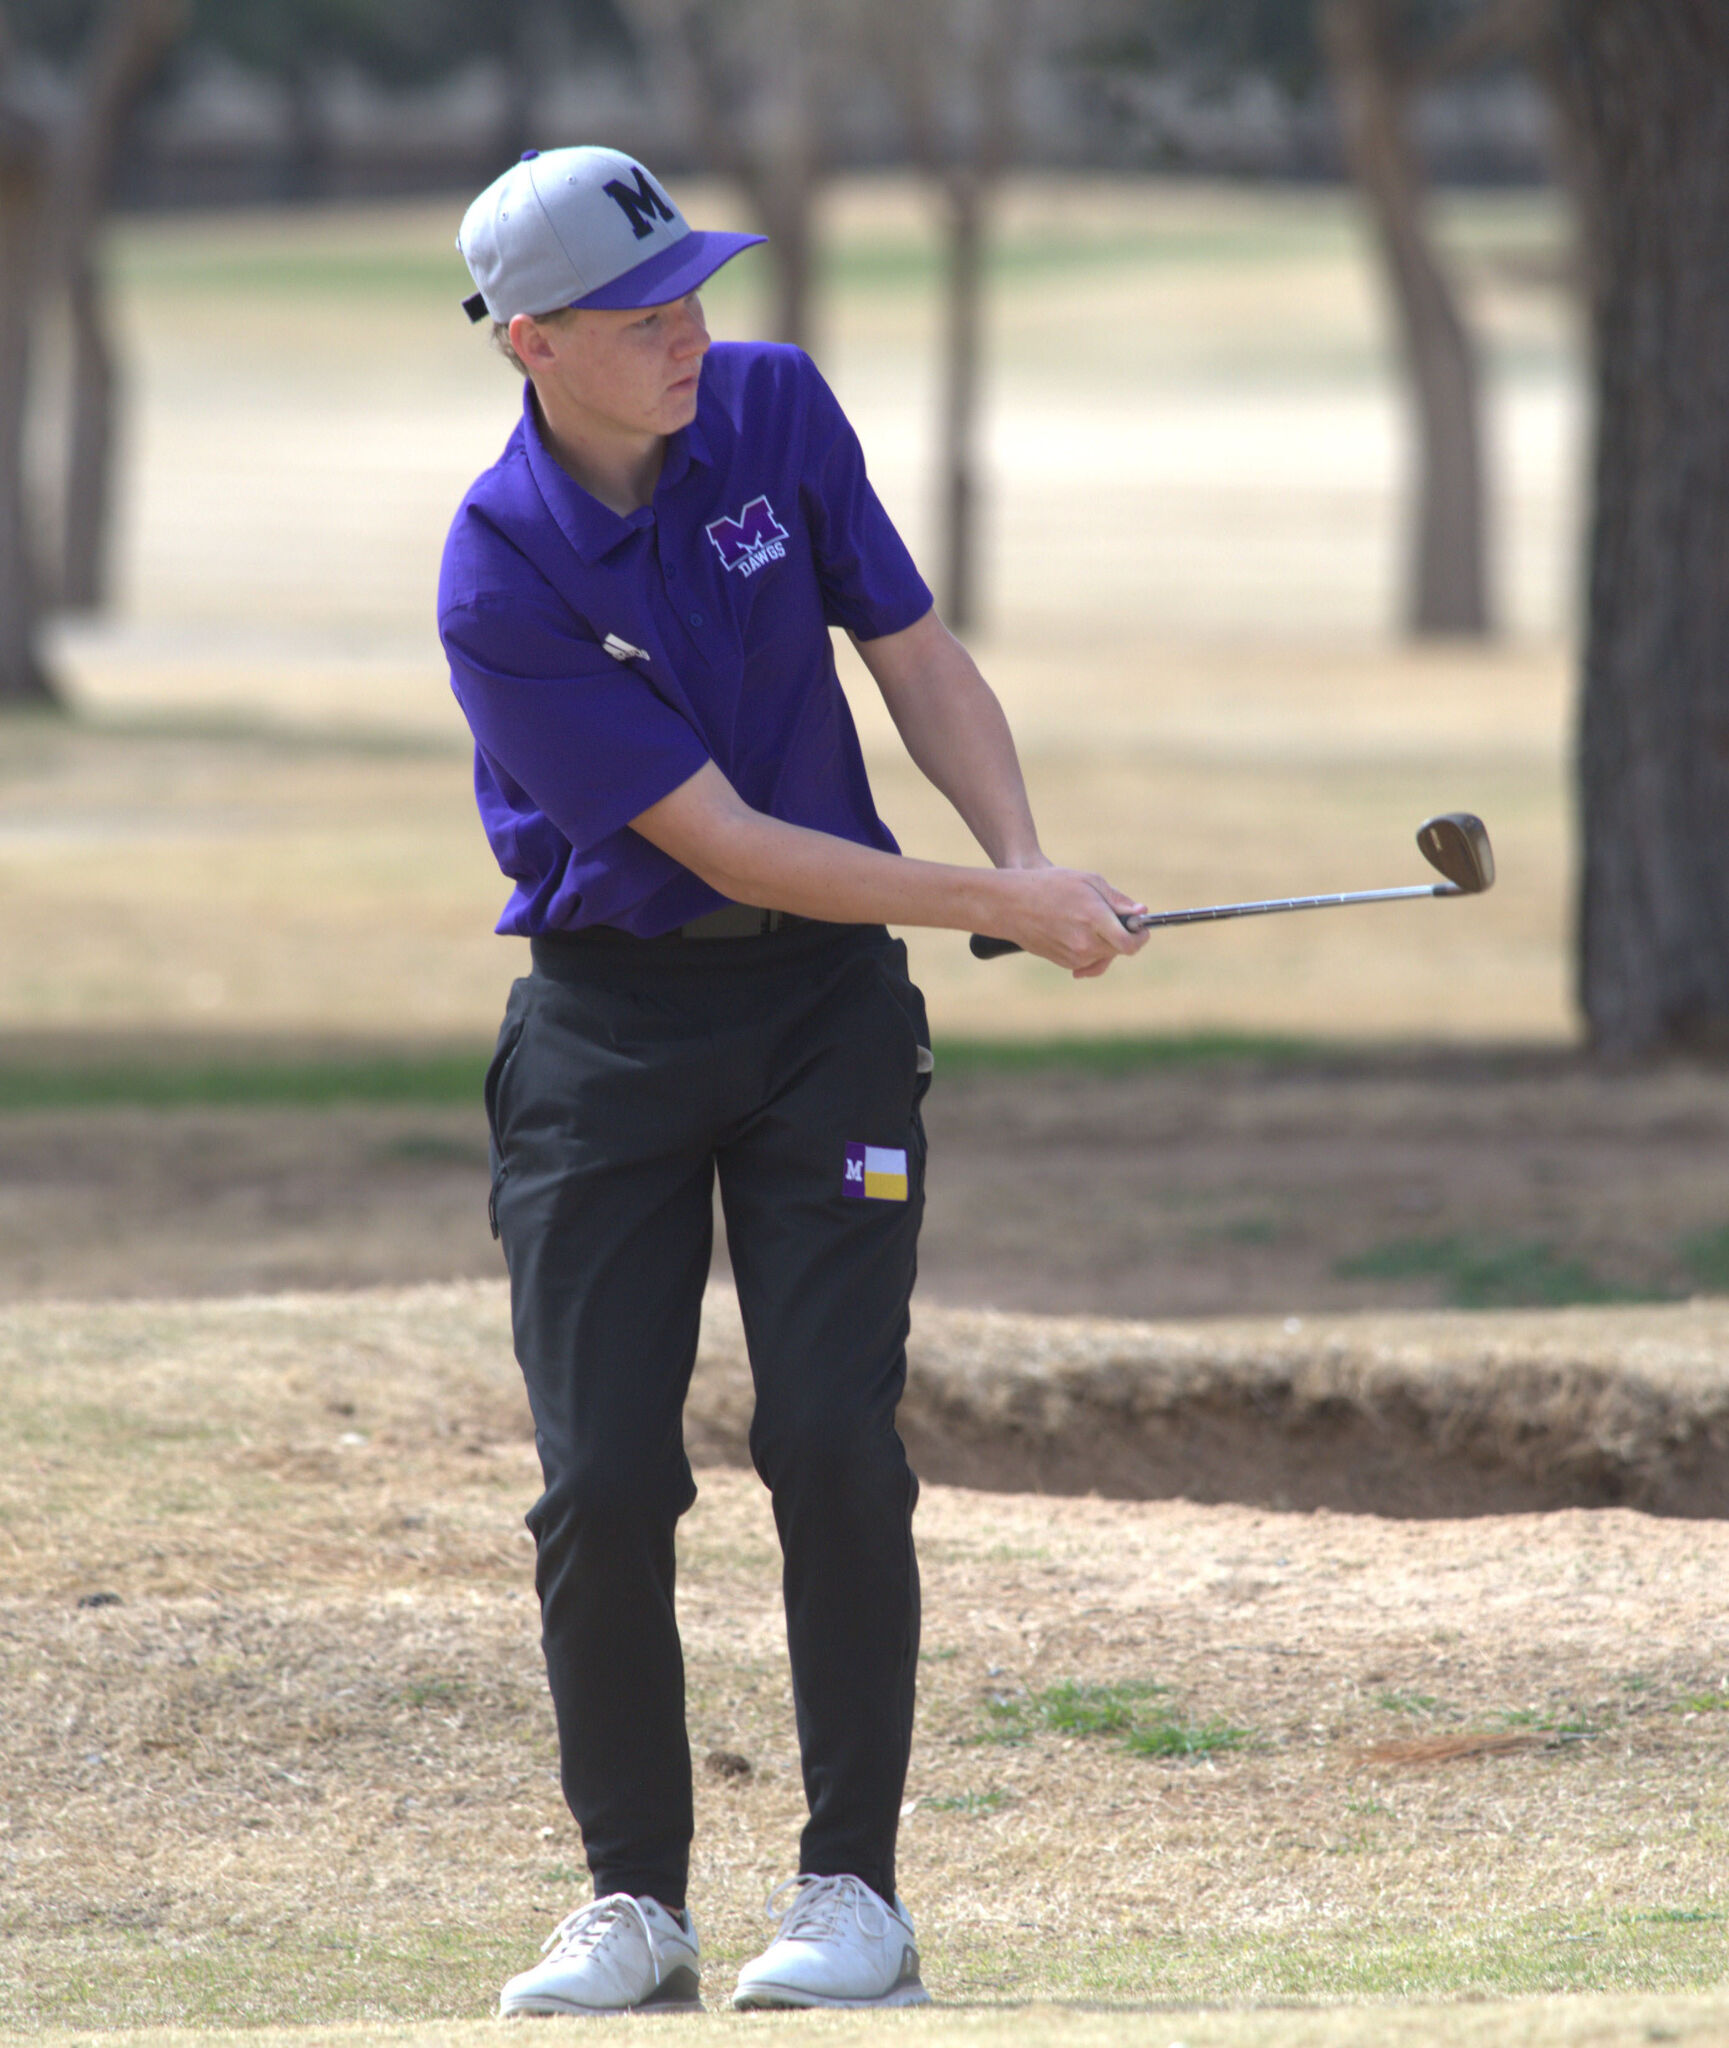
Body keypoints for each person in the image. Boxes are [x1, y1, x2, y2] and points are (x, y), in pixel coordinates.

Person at [438, 144, 1146, 2018]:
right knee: (602, 1480)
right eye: (637, 309)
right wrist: (996, 893)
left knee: (831, 1440)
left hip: (827, 1019)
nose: (688, 330)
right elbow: (731, 842)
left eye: (691, 289)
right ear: (532, 344)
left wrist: (1014, 856)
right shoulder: (499, 567)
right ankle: (633, 1904)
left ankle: (854, 1895)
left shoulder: (770, 407)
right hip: (606, 1035)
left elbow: (910, 653)